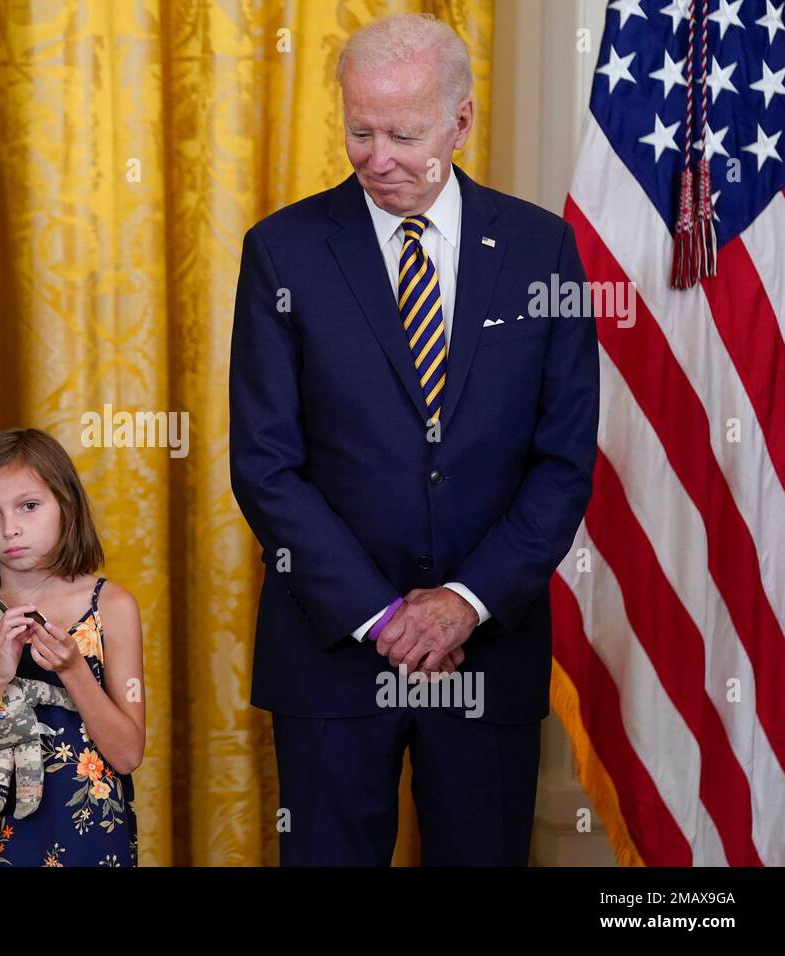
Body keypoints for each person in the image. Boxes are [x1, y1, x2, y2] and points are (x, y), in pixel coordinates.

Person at [229, 13, 599, 866]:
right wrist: (381, 615)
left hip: (486, 648)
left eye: (403, 133)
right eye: (359, 130)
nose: (376, 156)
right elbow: (266, 466)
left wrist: (463, 601)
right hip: (331, 649)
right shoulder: (283, 252)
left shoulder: (545, 251)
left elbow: (563, 459)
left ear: (460, 122)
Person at [0, 428, 144, 866]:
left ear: (66, 506)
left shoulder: (111, 606)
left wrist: (73, 670)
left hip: (93, 837)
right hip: (2, 840)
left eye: (29, 506)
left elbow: (128, 754)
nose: (10, 529)